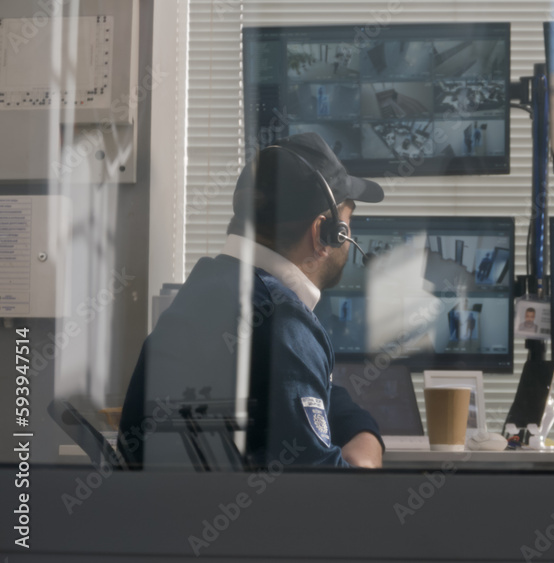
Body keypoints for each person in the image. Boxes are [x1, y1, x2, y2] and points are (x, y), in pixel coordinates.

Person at [118, 133, 385, 469]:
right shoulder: (283, 320)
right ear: (325, 233)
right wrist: (366, 458)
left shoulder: (207, 287)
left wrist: (361, 426)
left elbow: (287, 395)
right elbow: (324, 489)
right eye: (348, 222)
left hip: (166, 514)